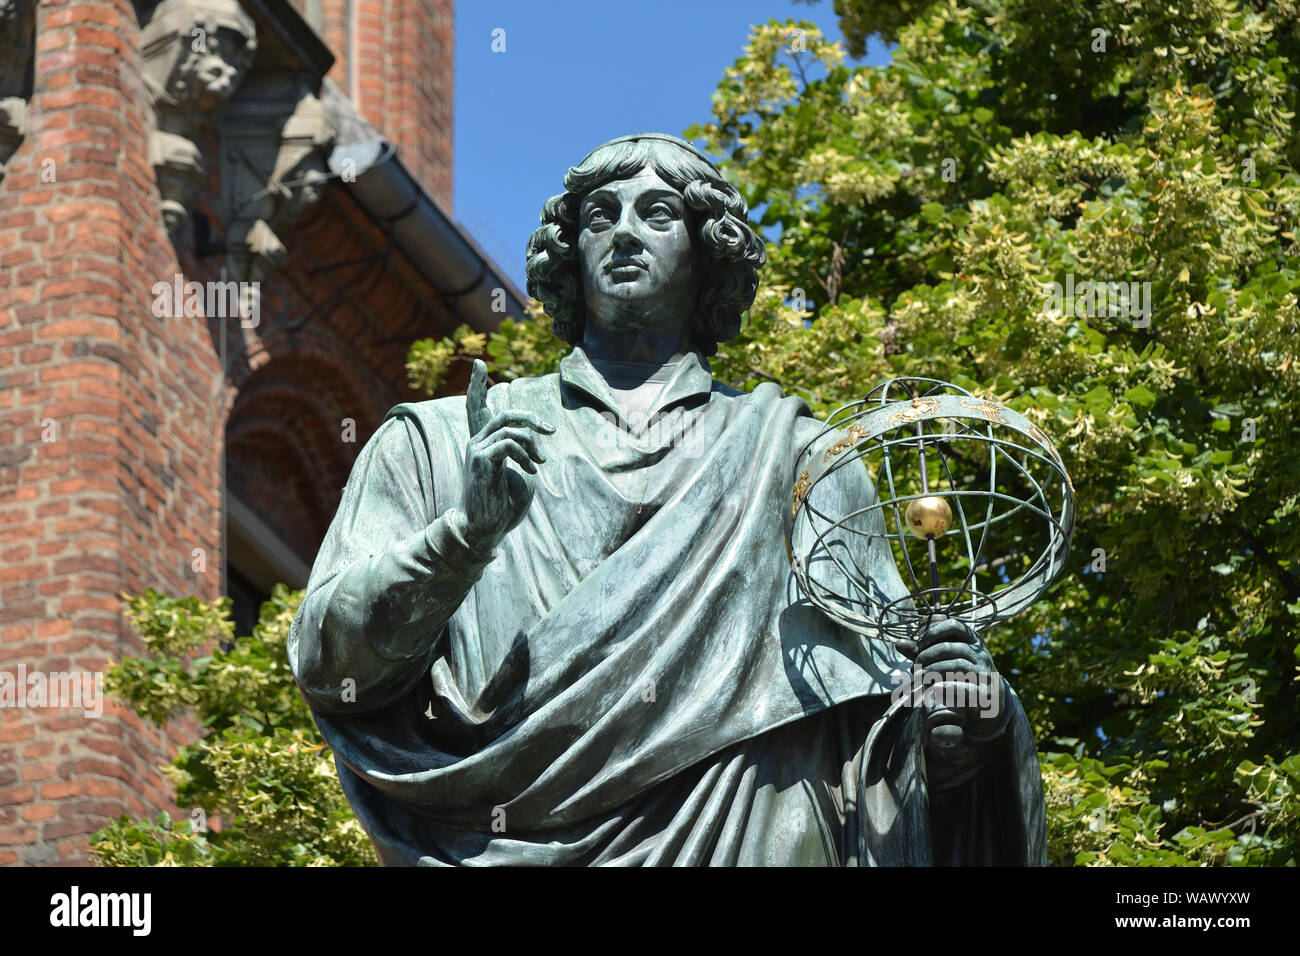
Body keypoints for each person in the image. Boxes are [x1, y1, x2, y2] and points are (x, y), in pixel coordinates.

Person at [287, 133, 1046, 865]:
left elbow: (876, 738)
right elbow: (328, 659)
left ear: (707, 253)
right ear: (570, 254)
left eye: (656, 215)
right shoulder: (445, 443)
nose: (623, 234)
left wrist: (964, 737)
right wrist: (461, 538)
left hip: (753, 835)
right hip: (490, 845)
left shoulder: (800, 465)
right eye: (599, 217)